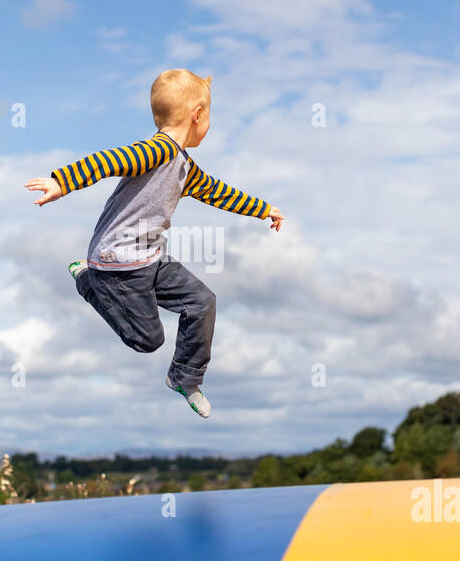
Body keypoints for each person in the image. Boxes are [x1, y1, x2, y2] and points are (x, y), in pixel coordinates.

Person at [25, 69, 283, 418]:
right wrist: (62, 180)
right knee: (147, 341)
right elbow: (109, 161)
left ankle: (185, 378)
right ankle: (87, 281)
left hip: (148, 258)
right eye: (209, 116)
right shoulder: (156, 150)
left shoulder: (182, 164)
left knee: (202, 302)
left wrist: (262, 209)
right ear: (197, 115)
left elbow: (218, 192)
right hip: (116, 264)